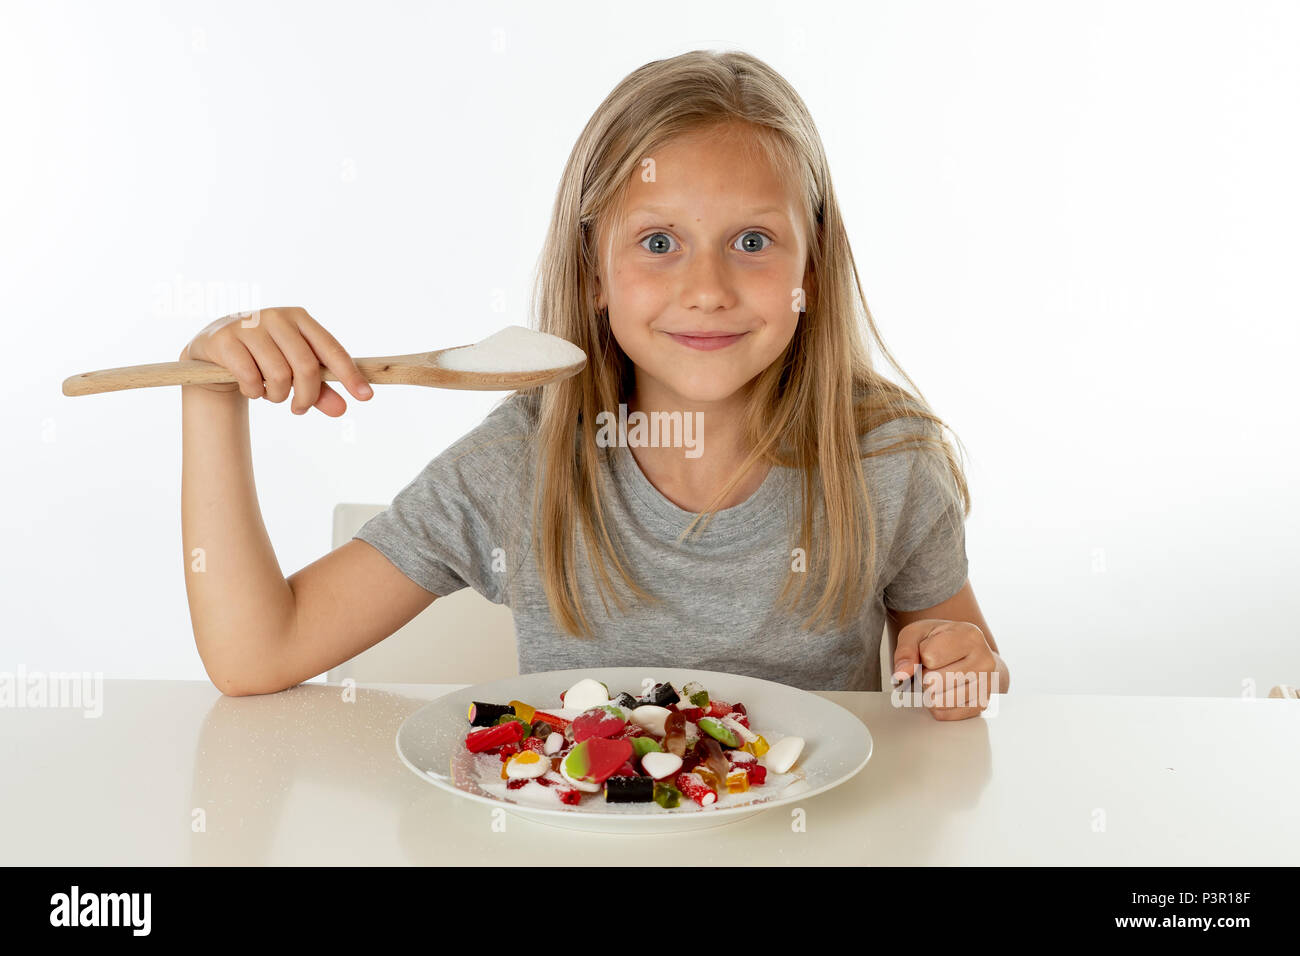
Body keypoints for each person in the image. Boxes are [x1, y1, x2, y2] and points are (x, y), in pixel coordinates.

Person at [179, 50, 1009, 717]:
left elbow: (960, 667)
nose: (708, 286)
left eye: (753, 241)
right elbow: (258, 653)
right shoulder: (521, 461)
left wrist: (955, 673)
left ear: (814, 270)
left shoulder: (889, 460)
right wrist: (211, 390)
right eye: (658, 243)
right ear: (593, 274)